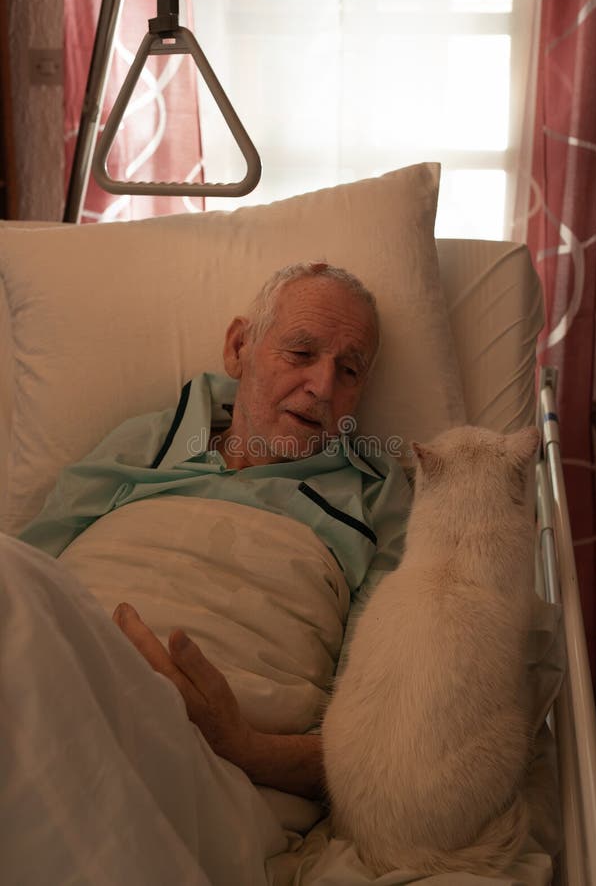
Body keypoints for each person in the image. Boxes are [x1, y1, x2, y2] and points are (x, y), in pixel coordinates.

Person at [6, 261, 411, 884]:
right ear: (239, 346)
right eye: (301, 352)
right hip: (71, 683)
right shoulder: (145, 442)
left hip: (221, 780)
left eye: (350, 370)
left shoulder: (377, 503)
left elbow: (389, 734)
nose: (324, 386)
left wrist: (242, 744)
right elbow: (27, 574)